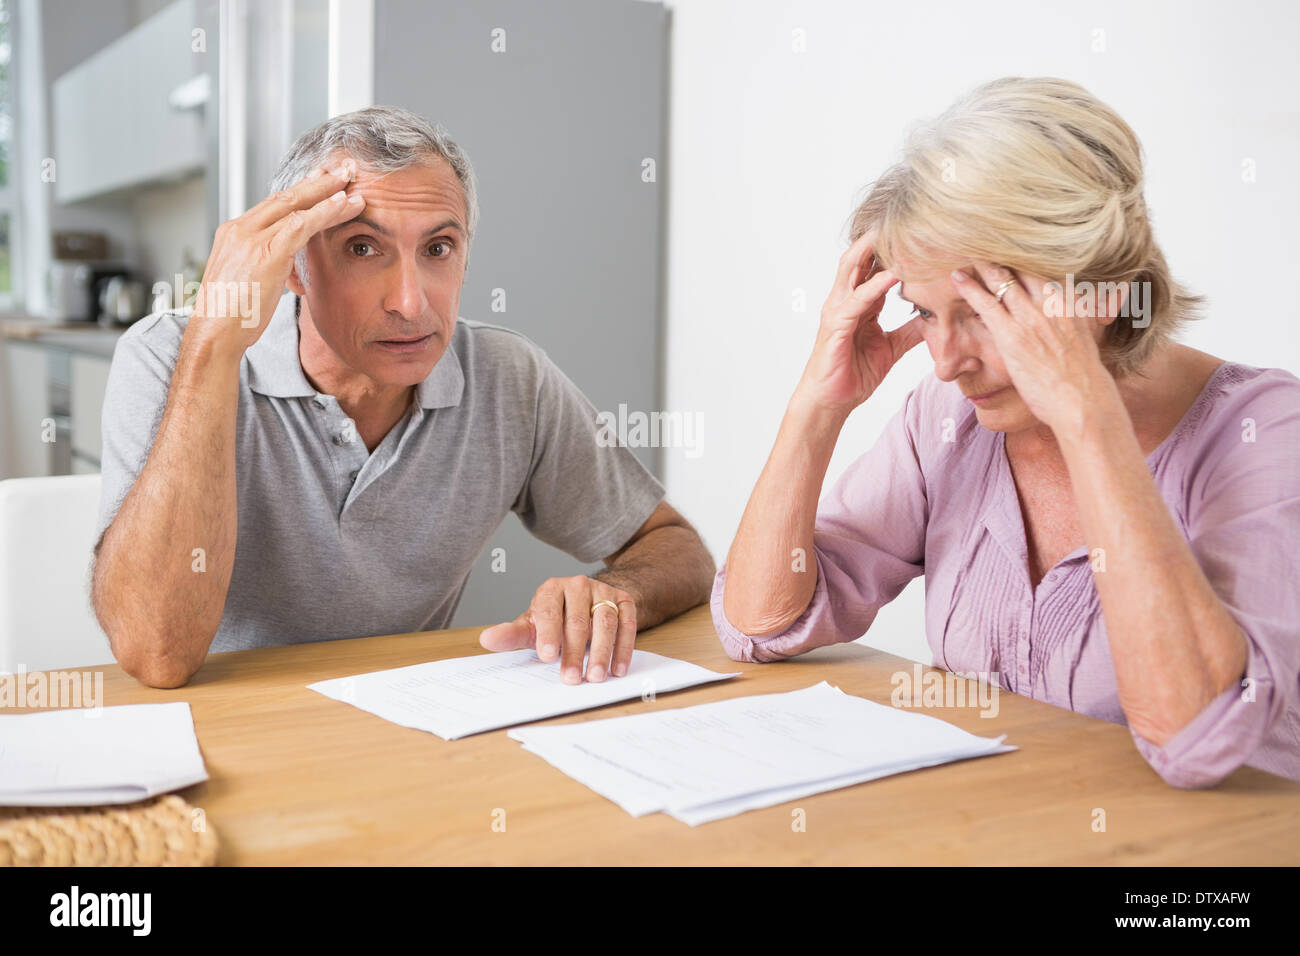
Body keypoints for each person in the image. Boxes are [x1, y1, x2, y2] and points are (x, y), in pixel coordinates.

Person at [712, 77, 1300, 789]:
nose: (947, 361)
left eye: (982, 313)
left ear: (1097, 290)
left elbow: (1194, 738)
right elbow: (760, 621)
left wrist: (1088, 421)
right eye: (926, 313)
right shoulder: (950, 420)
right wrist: (818, 404)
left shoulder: (1263, 431)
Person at [92, 105, 714, 689]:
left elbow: (678, 550)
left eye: (438, 249)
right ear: (292, 264)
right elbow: (157, 652)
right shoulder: (172, 355)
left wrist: (619, 595)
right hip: (220, 732)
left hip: (402, 735)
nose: (412, 304)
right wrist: (216, 350)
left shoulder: (508, 377)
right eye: (363, 249)